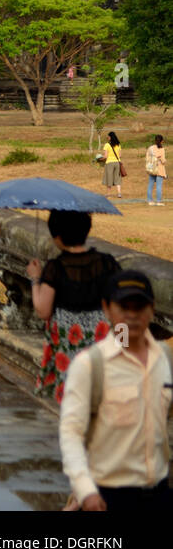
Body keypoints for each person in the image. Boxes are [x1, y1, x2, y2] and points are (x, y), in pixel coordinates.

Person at [59, 270, 173, 511]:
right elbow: (71, 432)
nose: (132, 315)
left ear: (152, 309)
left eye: (139, 306)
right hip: (106, 496)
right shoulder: (91, 365)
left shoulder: (166, 359)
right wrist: (85, 490)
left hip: (158, 493)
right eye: (124, 307)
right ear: (107, 309)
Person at [27, 209, 120, 402]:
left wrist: (35, 278)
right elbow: (123, 310)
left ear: (57, 237)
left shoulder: (56, 268)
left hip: (70, 351)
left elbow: (43, 310)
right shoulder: (107, 264)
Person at [101, 131, 124, 198]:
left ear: (110, 137)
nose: (107, 138)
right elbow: (120, 155)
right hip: (117, 163)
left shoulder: (107, 145)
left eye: (108, 136)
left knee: (109, 178)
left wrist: (99, 159)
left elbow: (105, 156)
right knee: (117, 178)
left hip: (109, 163)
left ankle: (108, 194)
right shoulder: (118, 144)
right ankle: (119, 193)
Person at [146, 134, 166, 205]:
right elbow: (163, 161)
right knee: (158, 186)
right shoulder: (162, 149)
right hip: (159, 169)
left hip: (152, 168)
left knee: (150, 185)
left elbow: (147, 158)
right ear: (162, 141)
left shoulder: (150, 148)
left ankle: (149, 201)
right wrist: (162, 160)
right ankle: (158, 201)